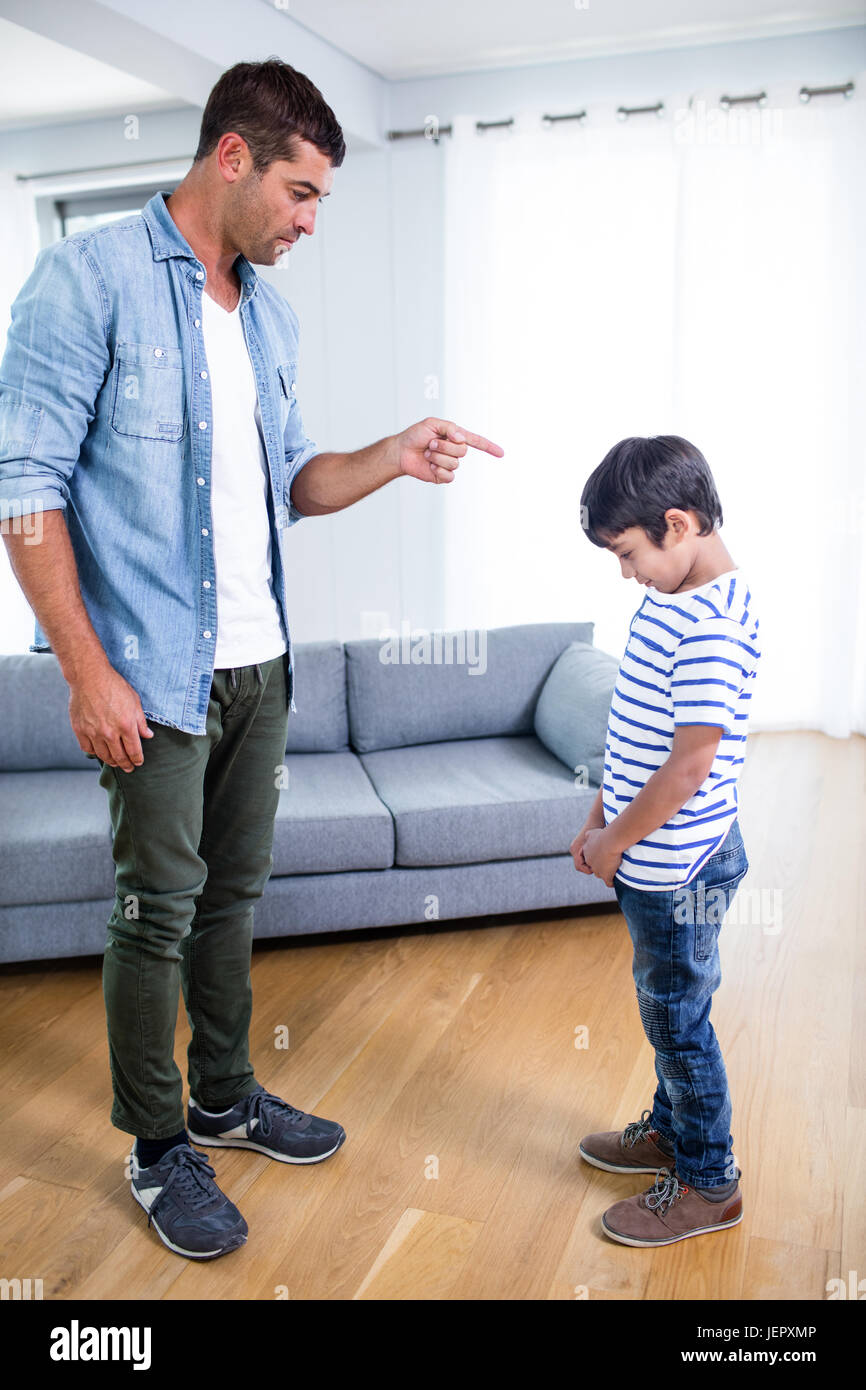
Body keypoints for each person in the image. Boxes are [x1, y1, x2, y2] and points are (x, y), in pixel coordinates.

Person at [0, 58, 503, 1262]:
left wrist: (392, 450)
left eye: (319, 198)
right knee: (153, 911)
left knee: (233, 898)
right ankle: (158, 1140)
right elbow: (24, 490)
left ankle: (224, 1094)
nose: (309, 221)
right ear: (232, 156)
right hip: (149, 676)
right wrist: (84, 670)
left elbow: (294, 482)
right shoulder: (89, 280)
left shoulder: (266, 315)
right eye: (300, 191)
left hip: (259, 662)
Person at [569, 435, 761, 1246]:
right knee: (668, 1008)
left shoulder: (714, 624)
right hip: (660, 853)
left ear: (677, 524)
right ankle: (672, 1132)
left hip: (678, 867)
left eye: (627, 552)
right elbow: (638, 727)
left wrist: (615, 841)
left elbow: (687, 768)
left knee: (678, 1019)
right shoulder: (673, 597)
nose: (625, 572)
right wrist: (602, 811)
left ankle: (709, 1182)